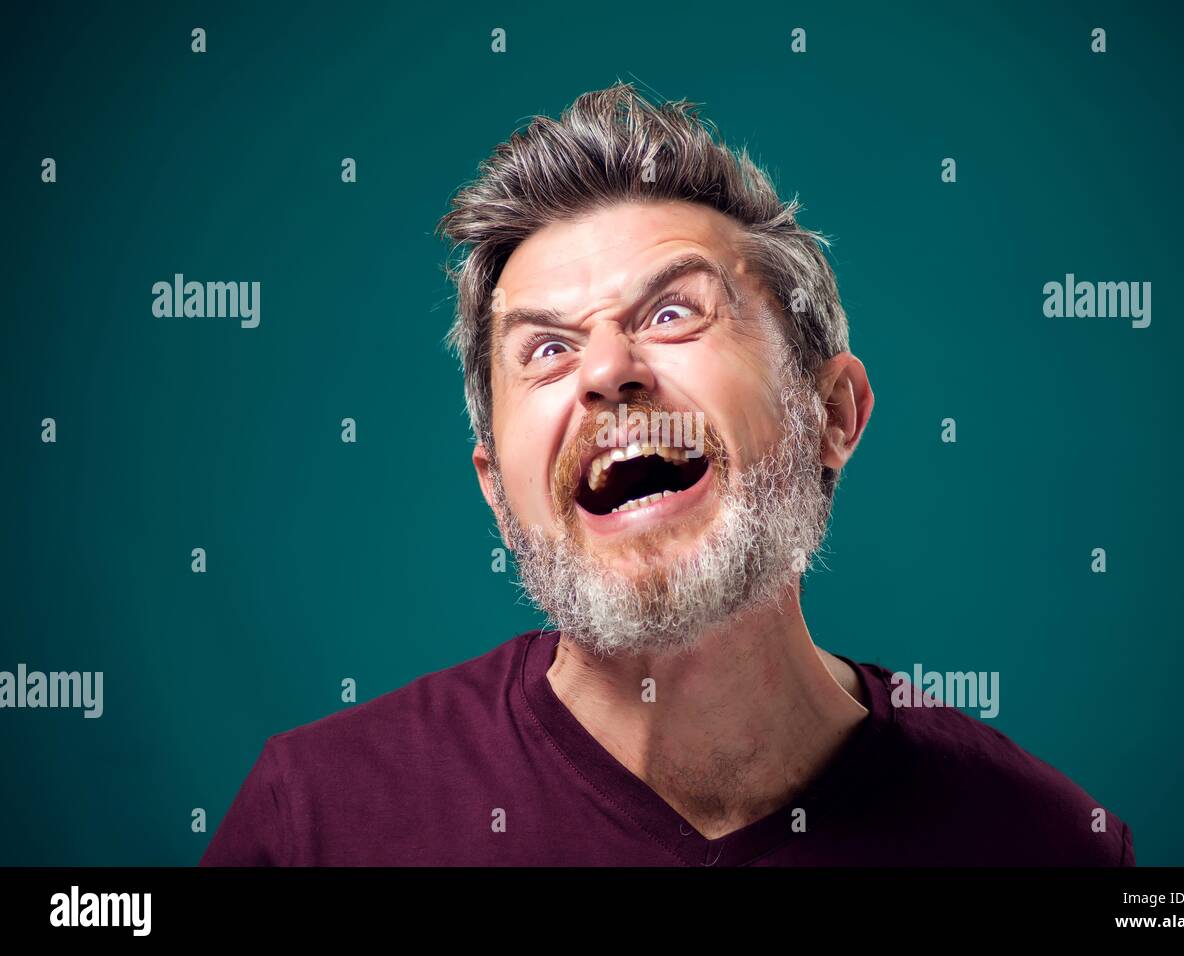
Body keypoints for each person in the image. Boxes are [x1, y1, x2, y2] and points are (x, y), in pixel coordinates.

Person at [200, 83, 1134, 866]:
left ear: (832, 416)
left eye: (675, 314)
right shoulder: (314, 825)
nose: (608, 371)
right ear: (495, 486)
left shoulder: (1048, 846)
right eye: (548, 351)